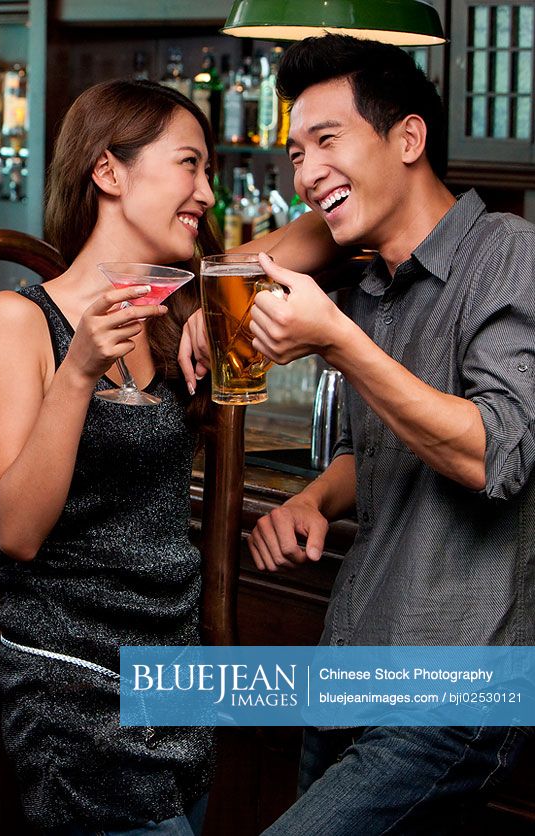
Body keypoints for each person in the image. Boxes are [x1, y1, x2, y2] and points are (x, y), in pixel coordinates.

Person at [226, 35, 534, 833]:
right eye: (295, 152)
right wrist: (318, 494)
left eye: (326, 141)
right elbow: (392, 448)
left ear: (406, 138)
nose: (304, 172)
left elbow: (492, 454)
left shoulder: (508, 255)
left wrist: (336, 342)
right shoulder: (368, 283)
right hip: (353, 657)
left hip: (454, 681)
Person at [0, 79, 221, 835]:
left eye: (209, 172)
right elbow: (16, 530)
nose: (206, 192)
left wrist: (222, 295)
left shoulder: (177, 308)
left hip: (178, 674)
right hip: (74, 681)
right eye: (189, 165)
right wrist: (76, 373)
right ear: (107, 171)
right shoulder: (17, 320)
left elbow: (316, 238)